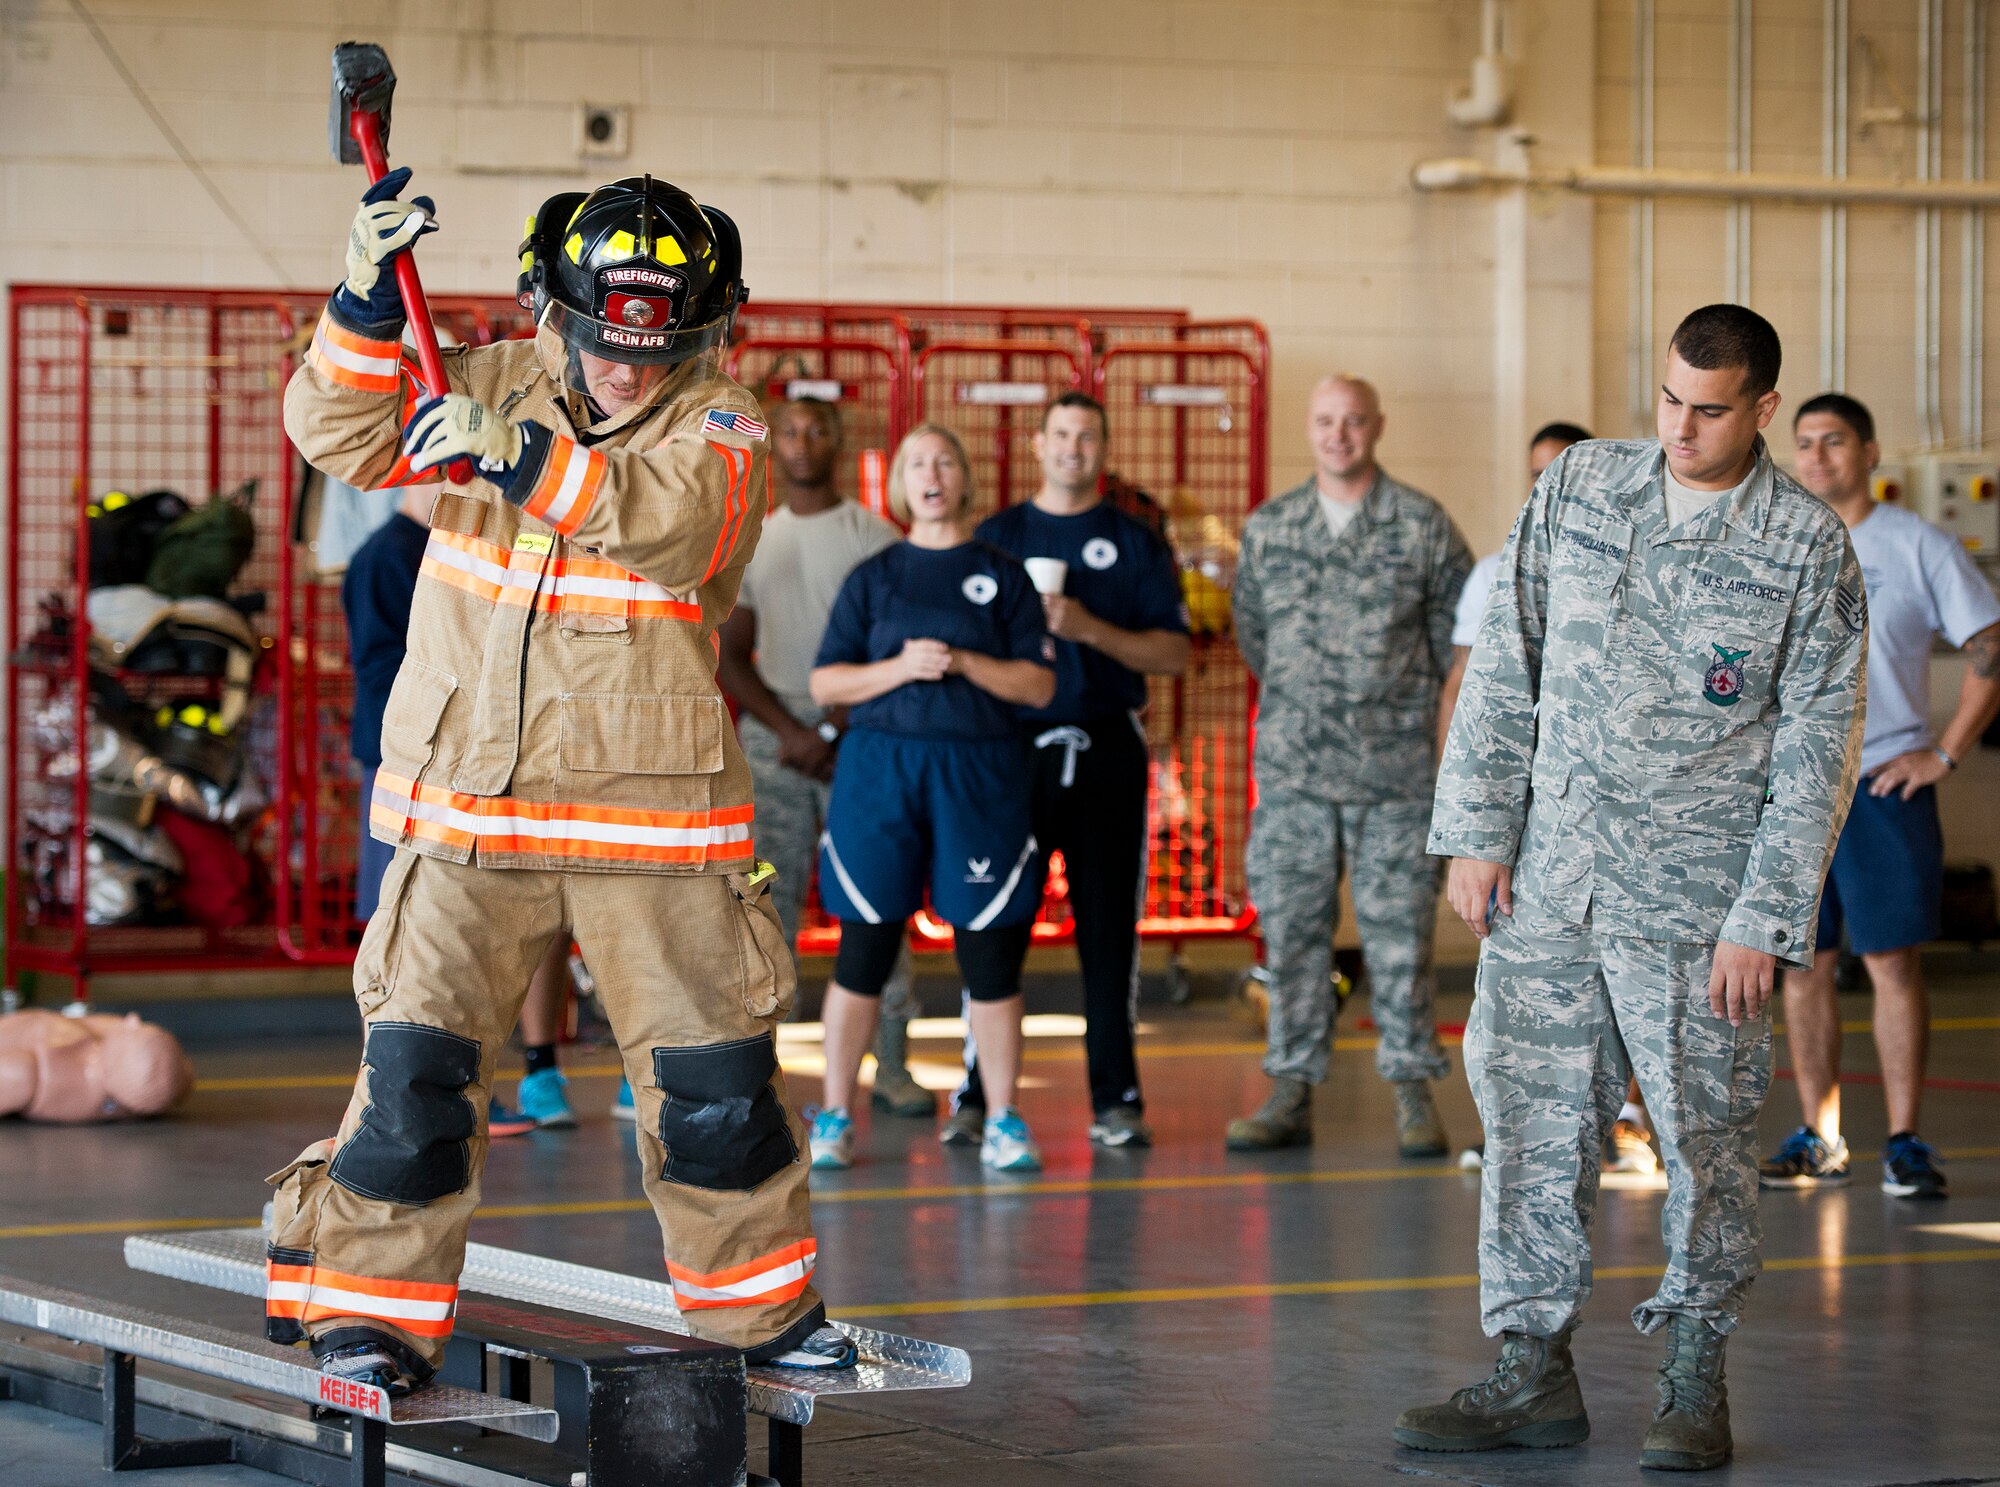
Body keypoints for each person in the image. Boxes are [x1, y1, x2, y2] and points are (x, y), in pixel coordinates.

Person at [272, 169, 855, 1396]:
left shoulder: (729, 428)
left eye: (661, 347)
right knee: (414, 1077)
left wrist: (520, 457)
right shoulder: (476, 375)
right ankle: (369, 1314)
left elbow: (673, 523)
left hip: (656, 820)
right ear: (553, 306)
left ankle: (758, 1313)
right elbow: (336, 431)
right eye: (601, 341)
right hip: (466, 807)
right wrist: (368, 305)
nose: (626, 370)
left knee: (714, 1087)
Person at [1398, 305, 1865, 1472]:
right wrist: (1473, 831)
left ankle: (1692, 1371)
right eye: (1667, 400)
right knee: (1525, 1122)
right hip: (1550, 883)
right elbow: (1507, 658)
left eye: (1709, 410)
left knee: (1704, 1140)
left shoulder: (1803, 544)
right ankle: (1528, 1368)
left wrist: (1763, 918)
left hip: (1697, 909)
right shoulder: (1581, 489)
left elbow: (1818, 749)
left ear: (1761, 408)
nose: (1680, 428)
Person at [1761, 392, 2000, 1200]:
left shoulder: (1916, 542)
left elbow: (1990, 645)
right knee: (1803, 964)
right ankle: (1819, 1134)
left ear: (1870, 452)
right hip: (1792, 790)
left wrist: (1943, 752)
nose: (1818, 457)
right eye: (1804, 443)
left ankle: (1905, 1138)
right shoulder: (1778, 540)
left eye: (1834, 441)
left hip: (1884, 783)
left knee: (1893, 963)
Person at [1227, 375, 1472, 1156]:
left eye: (1355, 421)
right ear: (1309, 427)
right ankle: (1290, 1088)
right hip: (1296, 775)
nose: (1340, 434)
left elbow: (1453, 648)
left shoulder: (1422, 525)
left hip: (1395, 777)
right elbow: (1253, 635)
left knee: (1400, 940)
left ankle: (1412, 1089)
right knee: (1293, 935)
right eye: (1327, 421)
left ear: (1378, 426)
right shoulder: (1271, 528)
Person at [803, 424, 1056, 1173]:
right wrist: (900, 667)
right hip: (881, 771)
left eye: (946, 459)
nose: (932, 473)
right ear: (900, 483)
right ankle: (837, 1114)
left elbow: (1039, 685)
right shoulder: (875, 575)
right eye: (917, 462)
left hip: (978, 774)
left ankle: (1004, 1116)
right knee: (863, 951)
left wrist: (970, 662)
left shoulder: (1002, 575)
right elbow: (825, 683)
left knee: (990, 955)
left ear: (966, 477)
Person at [951, 392, 1191, 1150]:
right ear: (1038, 444)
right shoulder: (997, 538)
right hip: (1010, 752)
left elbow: (1174, 653)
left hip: (1106, 750)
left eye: (1087, 435)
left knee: (1109, 933)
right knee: (994, 926)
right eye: (1060, 434)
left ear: (1103, 447)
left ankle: (1116, 1097)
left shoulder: (1134, 539)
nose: (1072, 448)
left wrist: (1090, 629)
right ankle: (976, 1096)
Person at [1444, 421, 1660, 1181]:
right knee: (1523, 1003)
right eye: (1536, 472)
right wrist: (1473, 822)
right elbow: (1472, 690)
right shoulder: (1499, 568)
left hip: (1623, 828)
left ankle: (1628, 1119)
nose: (1549, 487)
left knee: (1629, 988)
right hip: (1527, 827)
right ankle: (1513, 1133)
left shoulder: (1634, 559)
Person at [716, 398, 933, 1119]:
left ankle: (894, 1062)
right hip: (775, 736)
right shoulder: (755, 536)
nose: (805, 442)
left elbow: (892, 651)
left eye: (818, 429)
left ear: (841, 439)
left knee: (878, 898)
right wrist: (792, 731)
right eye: (792, 430)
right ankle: (760, 1070)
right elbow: (732, 651)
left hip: (861, 733)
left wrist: (835, 728)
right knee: (764, 906)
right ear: (774, 444)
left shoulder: (874, 538)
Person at [341, 486, 571, 1136]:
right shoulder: (387, 558)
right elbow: (383, 668)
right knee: (405, 930)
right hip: (410, 765)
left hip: (463, 765)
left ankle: (449, 1089)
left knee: (454, 930)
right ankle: (398, 1090)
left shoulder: (463, 545)